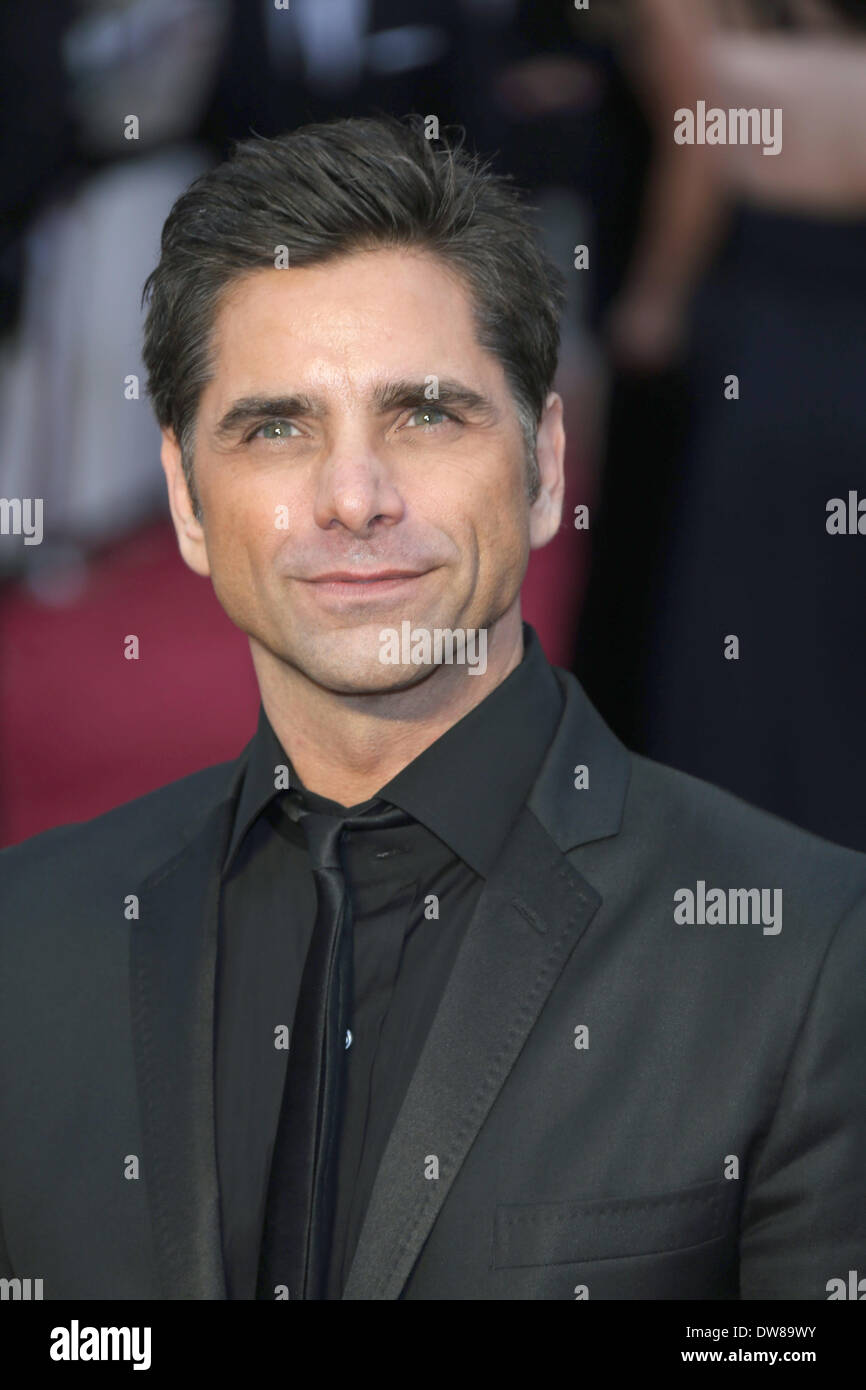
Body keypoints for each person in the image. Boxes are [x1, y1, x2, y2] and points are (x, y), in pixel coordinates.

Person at [1, 115, 865, 1302]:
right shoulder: (24, 939)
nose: (352, 496)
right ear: (187, 503)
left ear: (547, 464)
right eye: (276, 427)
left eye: (424, 414)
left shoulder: (810, 955)